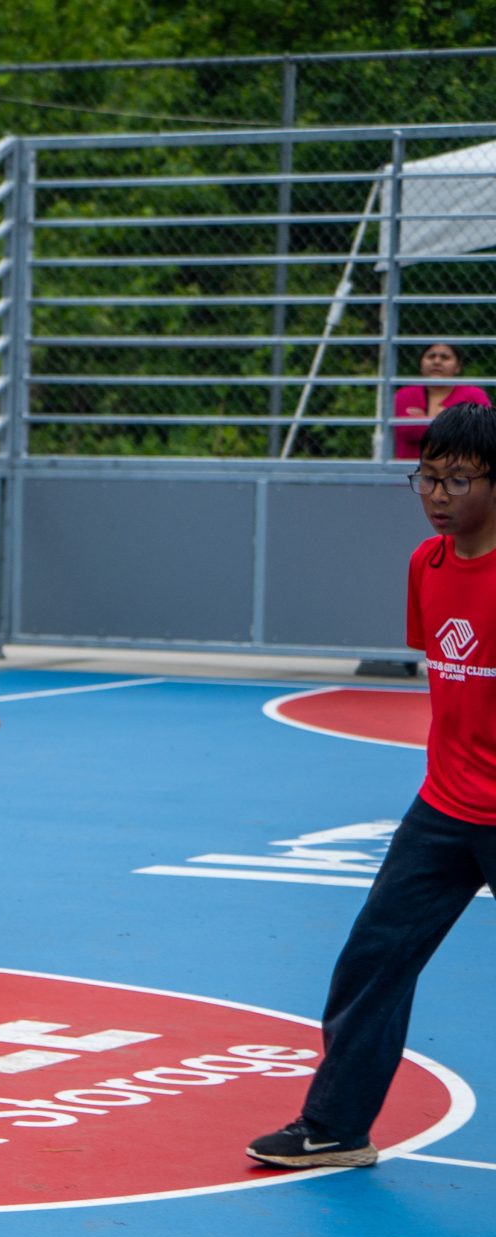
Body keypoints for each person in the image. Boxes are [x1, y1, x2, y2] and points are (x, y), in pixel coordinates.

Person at [248, 404, 496, 1170]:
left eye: (458, 479)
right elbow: (446, 682)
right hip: (444, 807)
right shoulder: (426, 567)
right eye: (427, 477)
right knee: (372, 960)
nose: (438, 493)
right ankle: (337, 1127)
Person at [393, 342, 489, 463]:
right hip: (409, 470)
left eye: (445, 357)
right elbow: (408, 430)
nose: (437, 361)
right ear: (421, 365)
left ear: (458, 367)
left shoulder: (474, 395)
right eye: (431, 356)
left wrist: (425, 420)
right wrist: (452, 421)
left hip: (460, 471)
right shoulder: (404, 395)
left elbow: (484, 433)